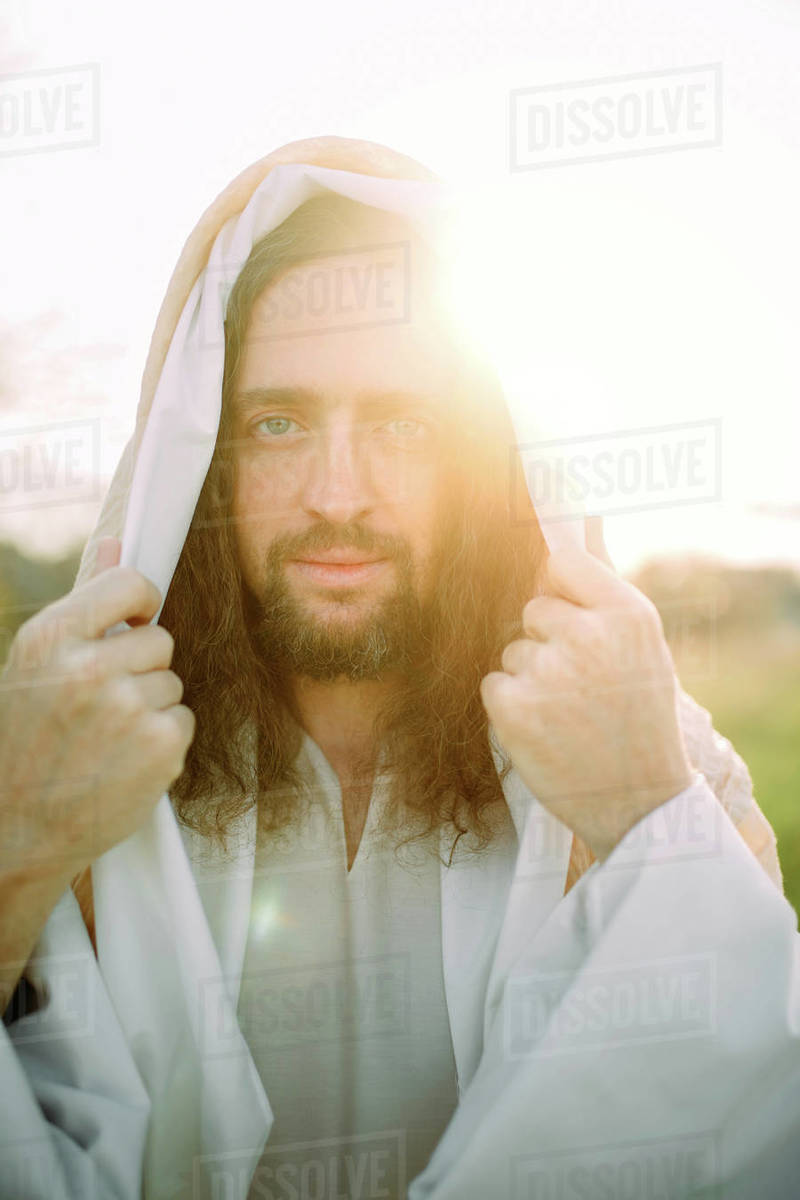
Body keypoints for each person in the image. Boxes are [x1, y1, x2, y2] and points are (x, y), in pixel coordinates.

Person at [0, 137, 796, 1200]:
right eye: (276, 423)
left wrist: (648, 820)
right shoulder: (57, 756)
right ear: (203, 458)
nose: (338, 493)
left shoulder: (656, 752)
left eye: (401, 423)